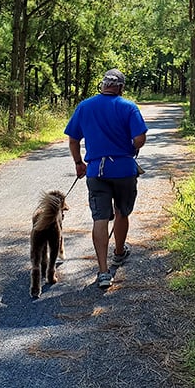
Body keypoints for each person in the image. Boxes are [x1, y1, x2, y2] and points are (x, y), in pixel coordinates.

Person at [64, 69, 147, 288]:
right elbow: (140, 138)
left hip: (96, 172)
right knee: (122, 212)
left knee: (99, 219)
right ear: (120, 87)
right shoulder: (128, 107)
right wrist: (131, 147)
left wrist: (79, 163)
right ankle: (118, 252)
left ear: (102, 85)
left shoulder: (85, 106)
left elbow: (73, 140)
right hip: (123, 170)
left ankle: (103, 272)